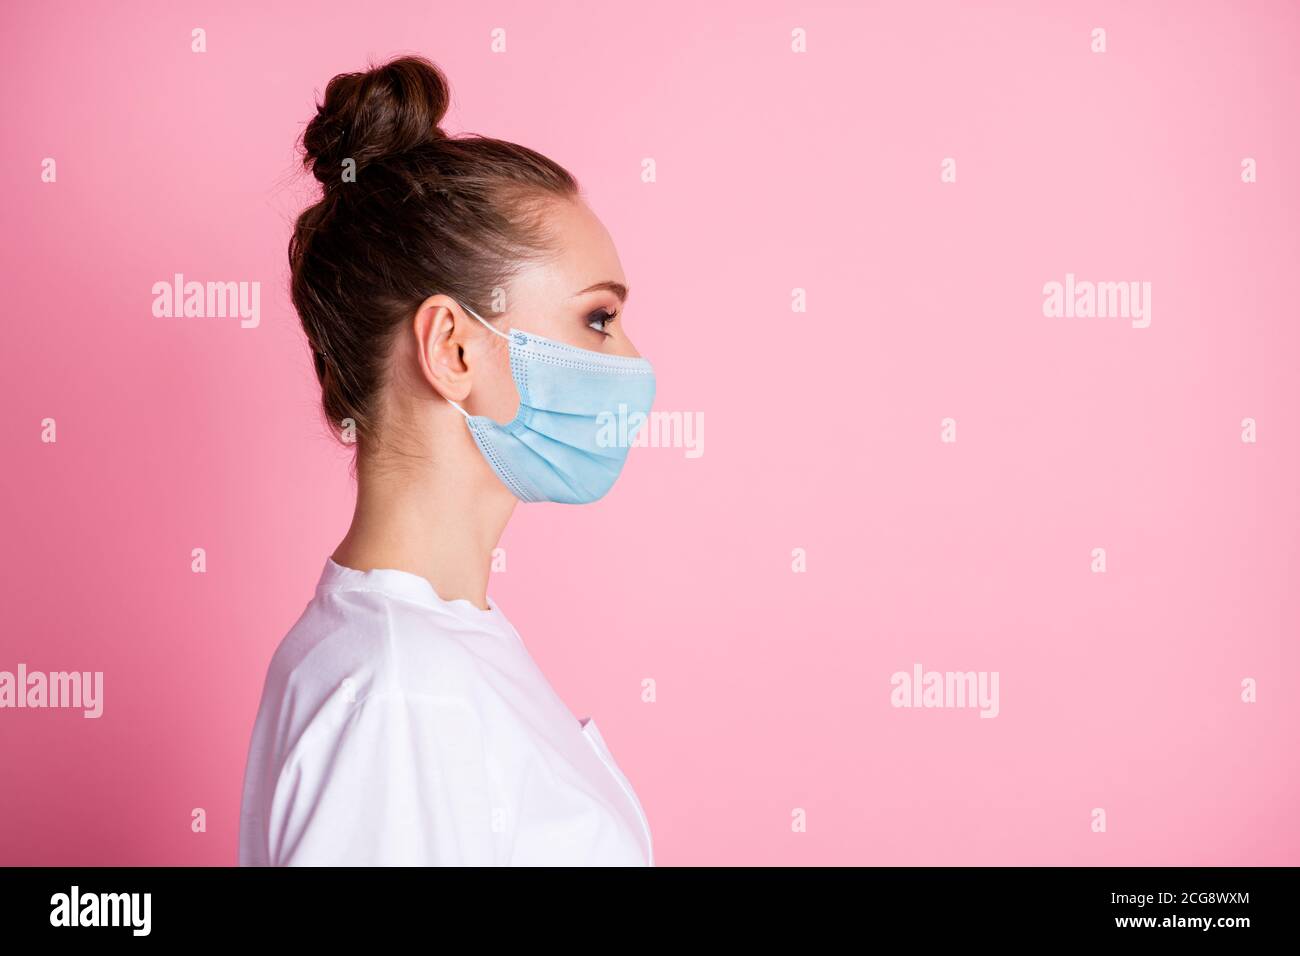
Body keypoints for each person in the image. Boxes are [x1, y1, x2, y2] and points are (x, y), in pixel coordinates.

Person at [237, 55, 655, 866]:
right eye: (598, 319)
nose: (632, 360)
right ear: (453, 348)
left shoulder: (436, 646)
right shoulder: (398, 687)